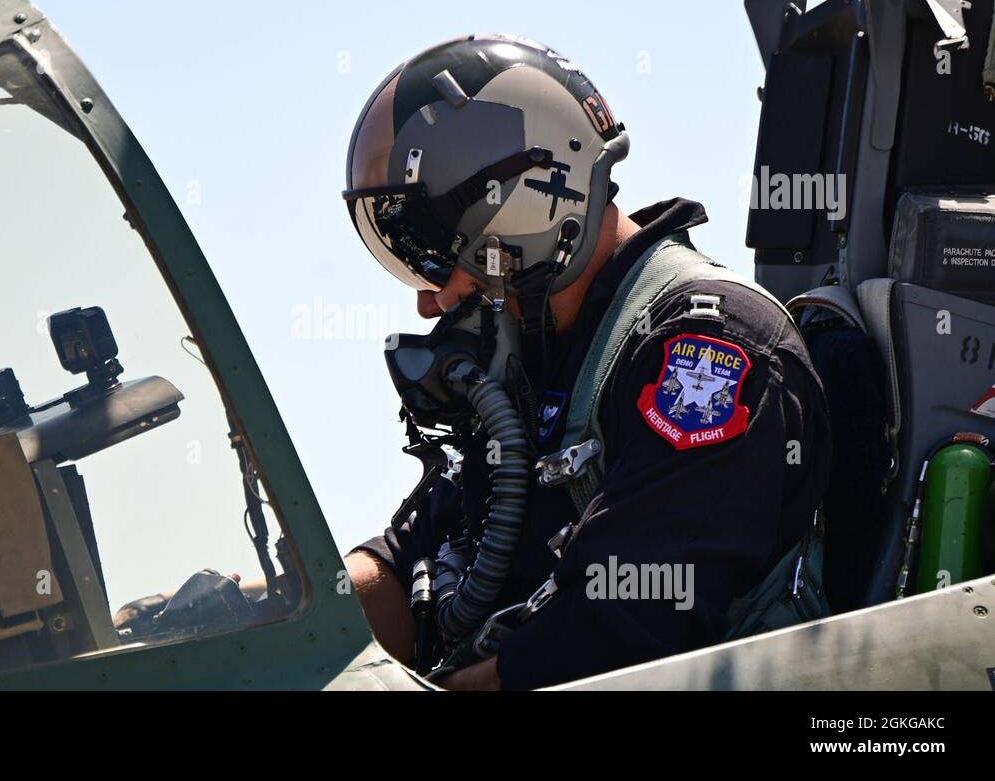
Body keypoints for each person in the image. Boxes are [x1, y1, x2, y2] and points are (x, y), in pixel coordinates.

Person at [340, 34, 832, 690]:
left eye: (428, 250)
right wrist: (269, 623)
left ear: (522, 206)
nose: (428, 298)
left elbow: (619, 637)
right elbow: (416, 559)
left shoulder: (708, 353)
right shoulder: (538, 360)